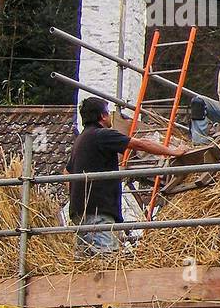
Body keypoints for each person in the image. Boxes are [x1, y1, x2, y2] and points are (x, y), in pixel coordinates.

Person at [67, 97, 188, 254]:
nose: (110, 116)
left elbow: (67, 172)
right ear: (103, 116)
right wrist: (173, 152)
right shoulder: (101, 135)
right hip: (98, 212)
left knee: (88, 263)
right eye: (108, 113)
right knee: (105, 262)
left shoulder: (81, 140)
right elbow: (139, 143)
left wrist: (77, 196)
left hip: (80, 212)